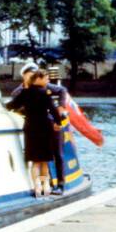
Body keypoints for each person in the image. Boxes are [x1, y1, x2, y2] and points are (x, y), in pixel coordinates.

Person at [5, 68, 59, 197]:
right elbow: (53, 110)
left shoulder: (25, 93)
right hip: (45, 127)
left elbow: (12, 105)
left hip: (31, 127)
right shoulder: (45, 93)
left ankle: (36, 187)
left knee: (35, 161)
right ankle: (46, 186)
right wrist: (59, 122)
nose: (48, 80)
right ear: (38, 79)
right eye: (46, 78)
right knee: (45, 160)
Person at [43, 65, 70, 195]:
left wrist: (61, 109)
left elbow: (62, 91)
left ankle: (60, 184)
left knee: (58, 154)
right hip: (40, 125)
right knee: (43, 155)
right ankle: (47, 183)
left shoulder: (54, 90)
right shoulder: (29, 89)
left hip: (54, 124)